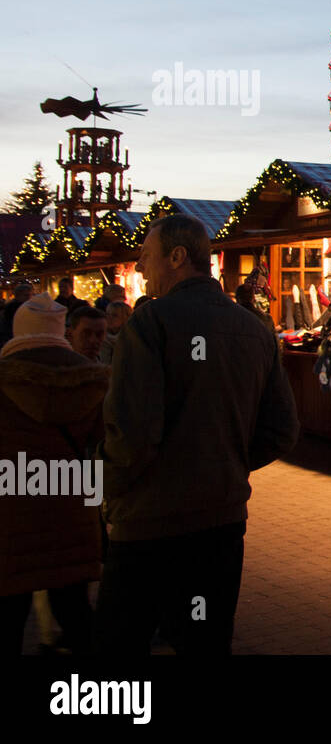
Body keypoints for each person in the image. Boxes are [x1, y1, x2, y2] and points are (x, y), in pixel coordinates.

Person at [95, 214, 300, 655]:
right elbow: (281, 430)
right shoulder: (254, 329)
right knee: (204, 640)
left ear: (177, 256)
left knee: (120, 644)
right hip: (221, 523)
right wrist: (225, 463)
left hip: (148, 524)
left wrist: (107, 492)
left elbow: (132, 434)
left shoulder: (148, 325)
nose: (140, 269)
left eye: (146, 258)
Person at [0, 294, 110, 654]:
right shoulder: (91, 379)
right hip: (72, 507)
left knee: (9, 617)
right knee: (75, 611)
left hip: (11, 512)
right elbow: (102, 441)